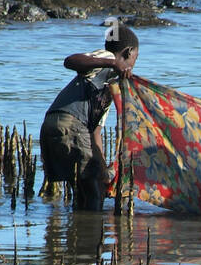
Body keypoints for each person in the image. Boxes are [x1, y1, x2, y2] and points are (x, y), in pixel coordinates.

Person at [40, 21, 139, 211]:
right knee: (93, 189)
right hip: (70, 122)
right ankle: (93, 234)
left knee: (85, 187)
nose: (133, 64)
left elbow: (95, 133)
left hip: (54, 125)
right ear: (128, 52)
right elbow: (70, 61)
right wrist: (112, 62)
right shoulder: (106, 58)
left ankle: (79, 232)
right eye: (135, 57)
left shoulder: (109, 85)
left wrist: (102, 167)